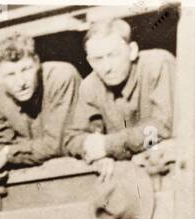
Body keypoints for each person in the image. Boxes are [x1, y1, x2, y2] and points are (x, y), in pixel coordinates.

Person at [64, 17, 175, 181]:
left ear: (132, 51)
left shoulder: (157, 64)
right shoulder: (90, 86)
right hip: (132, 178)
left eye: (113, 55)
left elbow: (163, 128)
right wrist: (98, 156)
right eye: (98, 59)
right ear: (89, 61)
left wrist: (107, 146)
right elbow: (73, 138)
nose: (107, 67)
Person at [0, 31, 81, 185]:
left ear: (37, 62)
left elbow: (58, 145)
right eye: (10, 74)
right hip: (35, 181)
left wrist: (8, 154)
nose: (21, 82)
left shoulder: (61, 76)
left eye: (26, 69)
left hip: (77, 173)